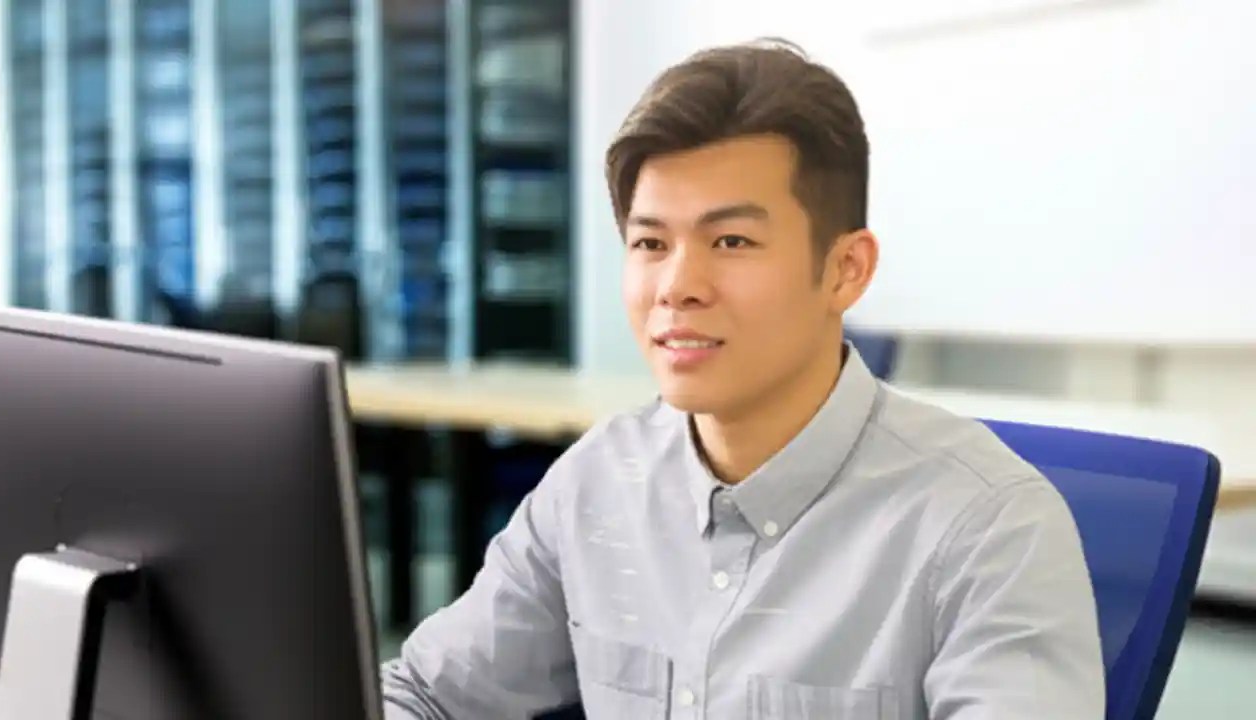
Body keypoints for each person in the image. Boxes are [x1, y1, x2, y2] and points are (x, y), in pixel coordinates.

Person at [383, 38, 1104, 719]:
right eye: (650, 242)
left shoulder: (989, 530)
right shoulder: (595, 485)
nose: (678, 285)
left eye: (732, 241)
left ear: (846, 269)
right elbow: (425, 694)